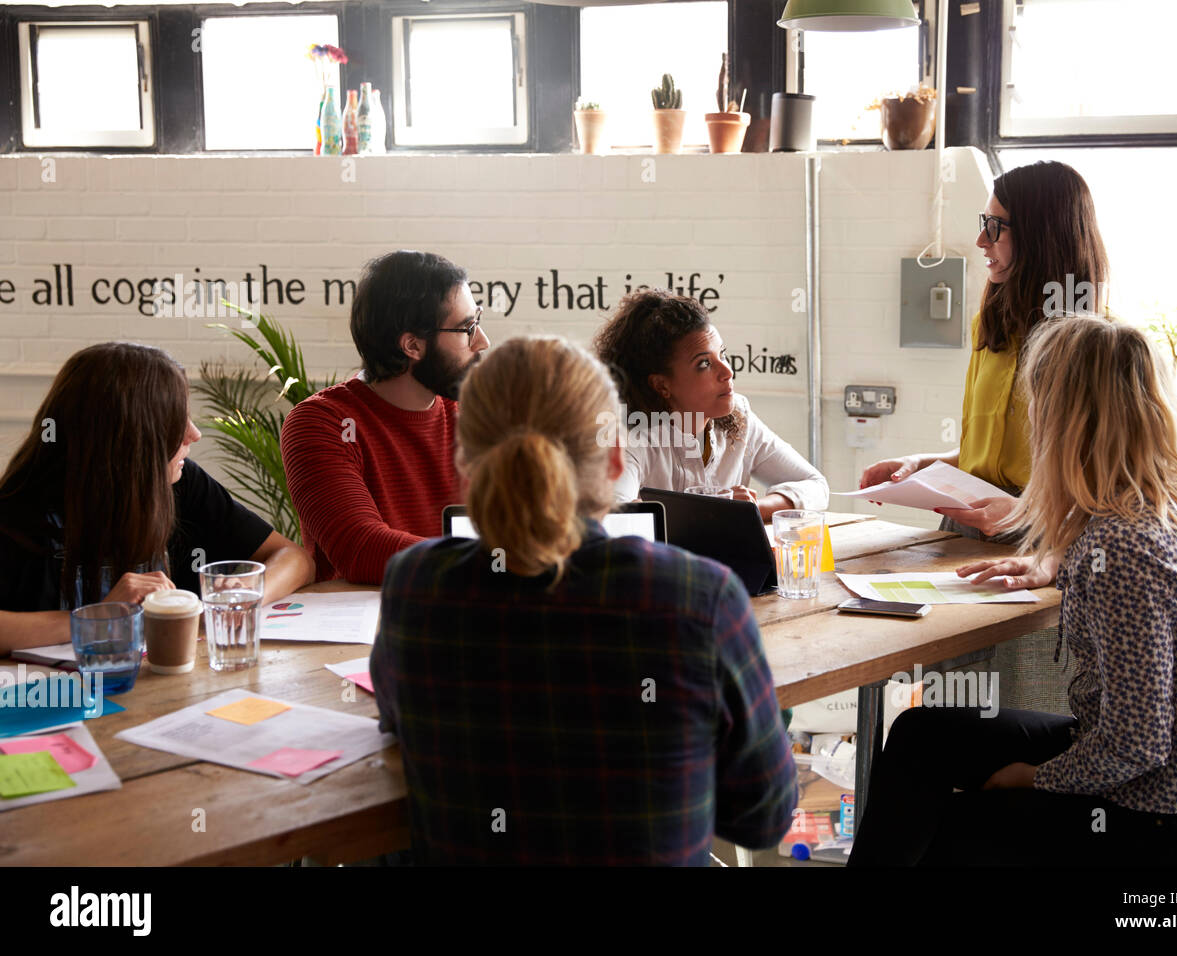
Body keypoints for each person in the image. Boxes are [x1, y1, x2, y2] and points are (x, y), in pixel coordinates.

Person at [847, 316, 1177, 867]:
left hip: (1171, 827)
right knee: (921, 735)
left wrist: (1035, 777)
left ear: (1069, 422)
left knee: (946, 832)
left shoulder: (1122, 546)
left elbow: (1136, 745)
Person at [370, 335, 797, 865]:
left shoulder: (415, 584)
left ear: (465, 461)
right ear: (616, 457)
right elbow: (762, 817)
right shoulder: (697, 599)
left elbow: (395, 722)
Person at [0, 342, 314, 653]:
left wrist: (247, 590)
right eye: (176, 422)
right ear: (133, 438)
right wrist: (99, 618)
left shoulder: (182, 482)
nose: (194, 434)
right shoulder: (20, 507)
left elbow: (295, 559)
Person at [859, 160, 1109, 541]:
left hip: (1045, 538)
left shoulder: (1100, 349)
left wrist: (1029, 512)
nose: (980, 240)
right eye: (983, 222)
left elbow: (1111, 483)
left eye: (995, 227)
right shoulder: (991, 329)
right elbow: (987, 459)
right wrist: (919, 464)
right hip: (966, 527)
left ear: (1040, 235)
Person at [280, 250, 489, 585]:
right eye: (467, 327)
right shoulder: (321, 422)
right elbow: (361, 548)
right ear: (413, 346)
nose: (482, 341)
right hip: (361, 629)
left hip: (464, 610)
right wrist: (490, 563)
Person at [593, 289, 828, 521]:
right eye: (704, 364)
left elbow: (816, 486)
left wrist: (752, 507)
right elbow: (615, 514)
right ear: (661, 385)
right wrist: (712, 509)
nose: (728, 371)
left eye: (722, 354)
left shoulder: (740, 415)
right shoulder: (632, 437)